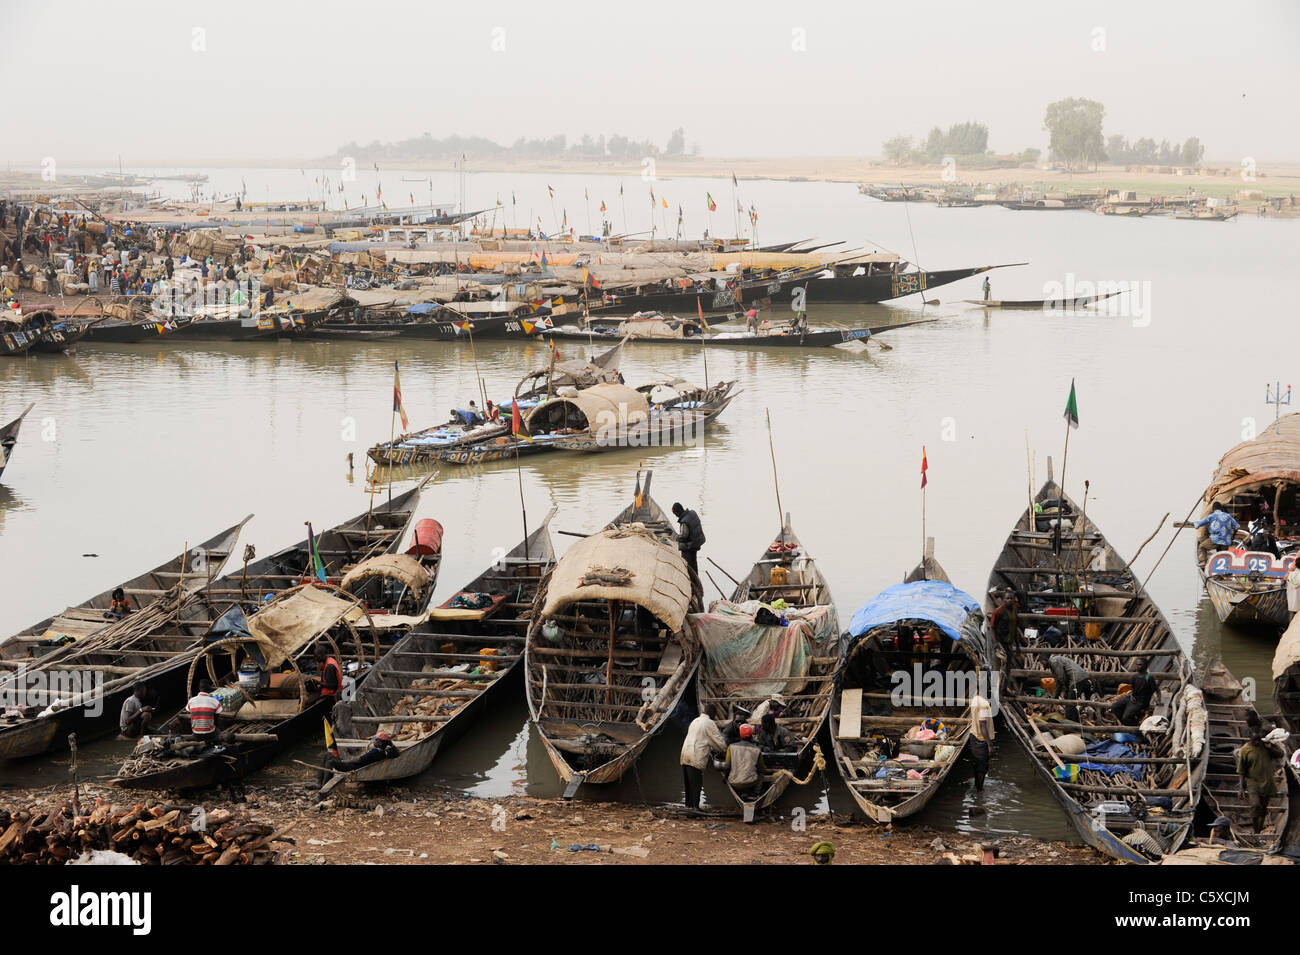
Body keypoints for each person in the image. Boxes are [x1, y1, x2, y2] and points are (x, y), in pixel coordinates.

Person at [1237, 728, 1281, 833]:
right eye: (1254, 740)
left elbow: (1280, 754)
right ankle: (1255, 829)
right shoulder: (1245, 750)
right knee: (1255, 805)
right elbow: (1241, 770)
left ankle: (1259, 830)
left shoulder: (1265, 746)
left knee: (1263, 808)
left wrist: (1269, 748)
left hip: (1267, 781)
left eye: (1258, 740)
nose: (1257, 742)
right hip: (1253, 782)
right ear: (1249, 739)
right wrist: (1241, 787)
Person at [680, 712, 726, 810]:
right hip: (695, 756)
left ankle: (689, 806)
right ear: (712, 714)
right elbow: (718, 743)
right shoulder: (709, 723)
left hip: (685, 753)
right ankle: (696, 808)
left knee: (688, 784)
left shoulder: (695, 721)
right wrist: (725, 748)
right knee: (696, 784)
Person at [1048, 654, 1095, 722]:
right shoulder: (1060, 659)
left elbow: (1061, 679)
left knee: (1070, 705)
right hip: (1086, 679)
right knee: (1073, 704)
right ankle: (1077, 722)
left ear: (1045, 660)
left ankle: (1071, 726)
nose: (1043, 665)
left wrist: (1055, 698)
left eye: (1042, 663)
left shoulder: (1054, 661)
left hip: (1077, 680)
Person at [1112, 658, 1160, 726]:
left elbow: (1157, 690)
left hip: (1141, 701)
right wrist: (1131, 696)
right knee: (1114, 707)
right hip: (1132, 698)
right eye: (1137, 664)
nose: (1138, 666)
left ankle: (1136, 724)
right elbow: (1133, 689)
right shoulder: (1135, 676)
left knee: (1126, 718)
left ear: (1145, 666)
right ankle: (1125, 722)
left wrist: (1158, 700)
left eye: (1140, 665)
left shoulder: (1148, 677)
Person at [722, 723, 764, 795]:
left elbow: (727, 766)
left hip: (733, 782)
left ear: (740, 735)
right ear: (751, 736)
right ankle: (755, 793)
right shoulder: (757, 749)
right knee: (761, 773)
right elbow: (761, 768)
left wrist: (725, 778)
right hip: (751, 783)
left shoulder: (731, 747)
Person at [325, 732, 399, 772]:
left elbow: (358, 760)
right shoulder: (385, 752)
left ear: (380, 743)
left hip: (353, 768)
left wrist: (343, 761)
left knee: (330, 761)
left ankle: (322, 783)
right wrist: (390, 743)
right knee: (329, 758)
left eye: (376, 740)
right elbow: (397, 753)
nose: (374, 741)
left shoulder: (374, 752)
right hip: (357, 766)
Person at [969, 691, 995, 792]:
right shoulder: (984, 704)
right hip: (982, 739)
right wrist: (990, 745)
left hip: (974, 736)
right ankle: (980, 791)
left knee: (977, 764)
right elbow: (983, 725)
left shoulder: (975, 698)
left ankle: (976, 786)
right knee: (982, 768)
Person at [671, 502, 705, 575]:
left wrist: (674, 536)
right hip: (696, 543)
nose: (676, 516)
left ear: (677, 512)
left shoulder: (684, 522)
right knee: (694, 563)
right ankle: (696, 580)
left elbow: (683, 536)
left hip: (690, 546)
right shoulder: (692, 513)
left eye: (675, 514)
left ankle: (690, 580)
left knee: (688, 565)